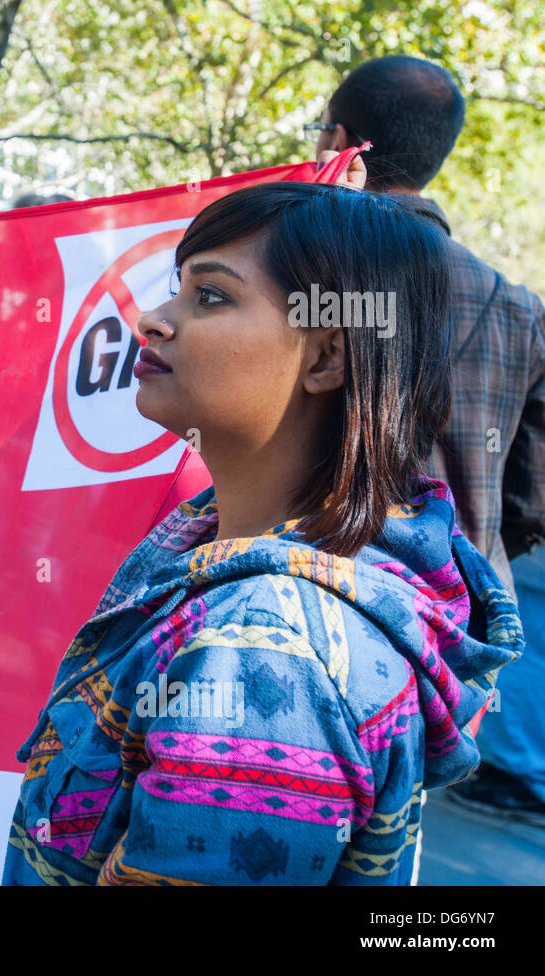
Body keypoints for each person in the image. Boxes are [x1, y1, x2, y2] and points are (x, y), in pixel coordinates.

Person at [2, 182, 522, 885]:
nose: (154, 321)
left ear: (325, 360)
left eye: (210, 296)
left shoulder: (263, 653)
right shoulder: (259, 564)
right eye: (176, 289)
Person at [311, 55, 545, 823]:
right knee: (388, 835)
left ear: (344, 142)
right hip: (453, 635)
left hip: (318, 597)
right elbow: (530, 500)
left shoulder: (315, 268)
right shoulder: (520, 310)